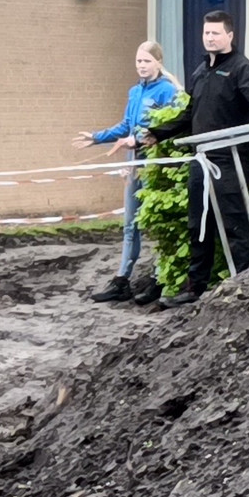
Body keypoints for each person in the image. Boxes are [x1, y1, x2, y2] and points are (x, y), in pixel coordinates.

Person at [142, 11, 249, 308]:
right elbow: (190, 116)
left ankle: (245, 287)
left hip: (230, 161)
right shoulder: (200, 72)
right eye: (206, 33)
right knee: (198, 225)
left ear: (229, 35)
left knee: (234, 222)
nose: (210, 38)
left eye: (215, 33)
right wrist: (156, 134)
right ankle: (195, 288)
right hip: (201, 161)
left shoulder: (242, 68)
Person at [72, 41, 182, 305]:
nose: (141, 66)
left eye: (146, 61)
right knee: (130, 224)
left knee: (159, 223)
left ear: (158, 62)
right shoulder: (135, 92)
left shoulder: (167, 91)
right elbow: (126, 126)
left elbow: (171, 125)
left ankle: (159, 279)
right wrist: (97, 138)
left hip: (157, 167)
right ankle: (122, 281)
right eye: (138, 61)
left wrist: (140, 140)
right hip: (134, 166)